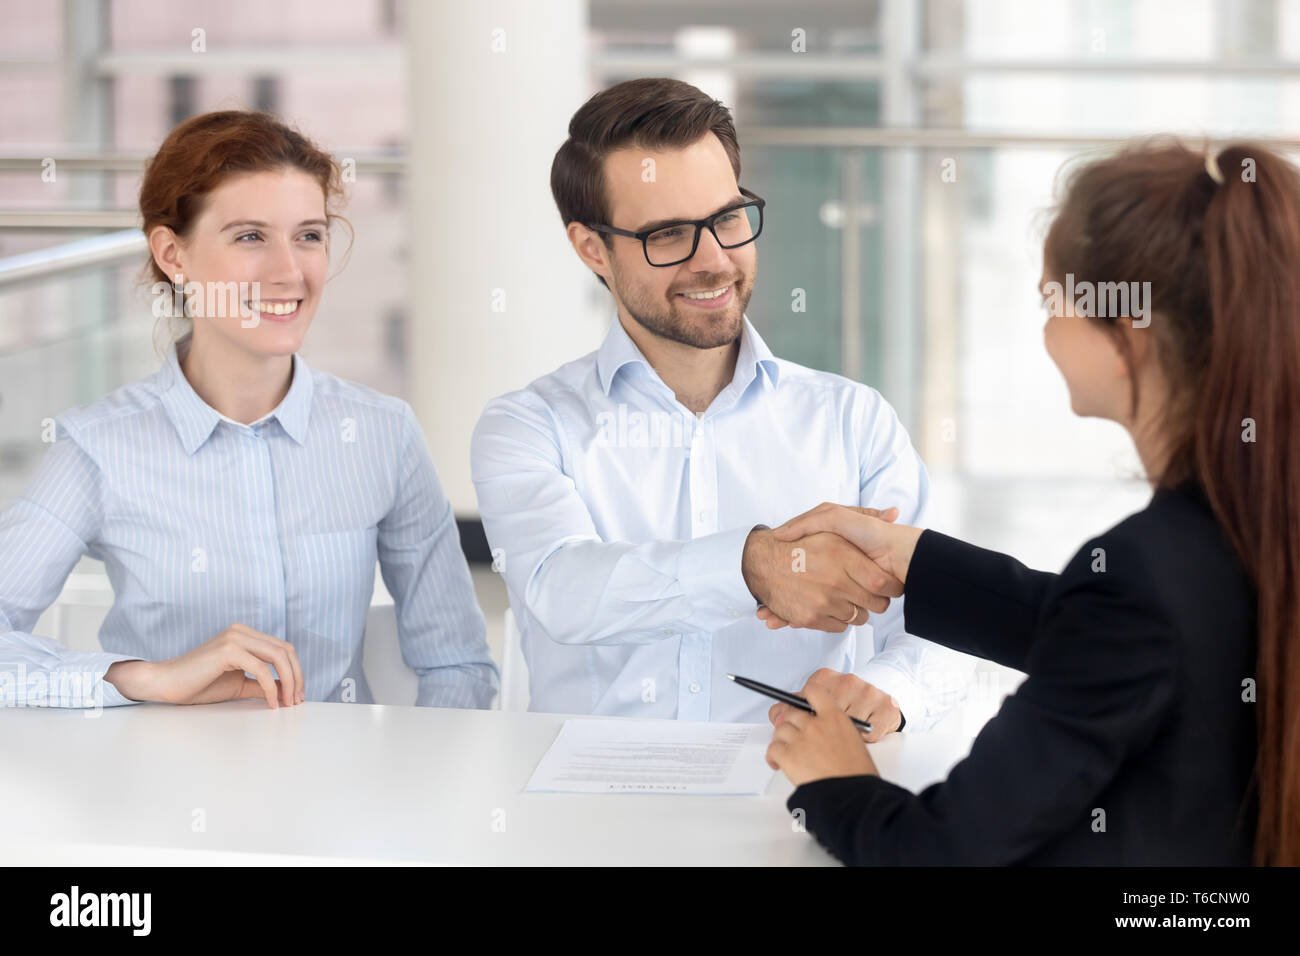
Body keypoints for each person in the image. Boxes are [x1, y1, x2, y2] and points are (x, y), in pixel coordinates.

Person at [764, 139, 1299, 866]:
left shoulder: (1147, 572)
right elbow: (1144, 640)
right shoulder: (1251, 519)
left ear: (1126, 340)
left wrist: (833, 777)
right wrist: (916, 562)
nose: (1045, 329)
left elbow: (940, 852)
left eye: (1054, 302)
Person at [470, 78, 974, 733]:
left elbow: (944, 620)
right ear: (593, 248)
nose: (714, 261)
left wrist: (889, 690)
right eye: (668, 234)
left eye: (728, 218)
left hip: (797, 797)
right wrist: (751, 568)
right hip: (592, 809)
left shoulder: (853, 421)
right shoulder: (528, 426)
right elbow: (562, 588)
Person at [0, 110, 498, 711]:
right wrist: (149, 677)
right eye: (250, 237)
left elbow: (457, 664)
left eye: (309, 235)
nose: (289, 272)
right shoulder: (99, 446)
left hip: (338, 791)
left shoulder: (381, 435)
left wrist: (419, 793)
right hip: (156, 790)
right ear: (173, 255)